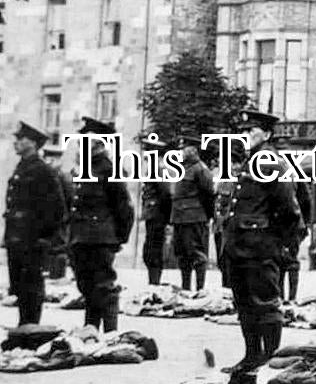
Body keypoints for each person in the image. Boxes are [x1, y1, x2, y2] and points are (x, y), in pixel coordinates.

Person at [222, 109, 301, 379]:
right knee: (244, 304)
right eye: (242, 131)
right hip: (240, 246)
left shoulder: (270, 162)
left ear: (266, 134)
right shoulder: (251, 161)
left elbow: (289, 210)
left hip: (260, 247)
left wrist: (279, 245)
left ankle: (271, 361)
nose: (244, 136)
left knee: (266, 304)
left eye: (250, 131)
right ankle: (251, 356)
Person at [68, 117, 135, 332]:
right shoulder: (84, 168)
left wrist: (118, 238)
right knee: (87, 287)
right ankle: (91, 330)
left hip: (100, 238)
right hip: (82, 238)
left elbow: (124, 208)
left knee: (104, 287)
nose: (81, 144)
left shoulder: (108, 169)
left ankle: (111, 334)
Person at [4, 122, 66, 325]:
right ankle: (23, 327)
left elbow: (56, 208)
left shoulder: (42, 171)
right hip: (17, 238)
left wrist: (44, 238)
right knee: (19, 287)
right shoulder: (21, 167)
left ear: (32, 143)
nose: (16, 143)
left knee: (31, 287)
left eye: (21, 140)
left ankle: (31, 329)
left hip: (32, 240)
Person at [170, 134, 215, 291]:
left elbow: (209, 195)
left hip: (194, 217)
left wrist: (206, 215)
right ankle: (186, 288)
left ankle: (200, 289)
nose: (181, 152)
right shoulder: (183, 169)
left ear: (193, 151)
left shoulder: (200, 169)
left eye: (184, 149)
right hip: (179, 218)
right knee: (182, 254)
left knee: (196, 254)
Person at [272, 131, 310, 304]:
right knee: (281, 261)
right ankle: (282, 297)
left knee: (289, 261)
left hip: (291, 222)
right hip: (283, 223)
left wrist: (303, 222)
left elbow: (305, 199)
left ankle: (290, 297)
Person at [139, 134, 173, 286]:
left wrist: (165, 216)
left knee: (153, 251)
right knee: (150, 250)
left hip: (157, 216)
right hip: (153, 215)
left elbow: (166, 193)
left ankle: (154, 282)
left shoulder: (157, 168)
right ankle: (153, 281)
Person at [212, 140, 243, 289]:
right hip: (219, 227)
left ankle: (231, 292)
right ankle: (226, 291)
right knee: (222, 260)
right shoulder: (221, 180)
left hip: (230, 227)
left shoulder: (238, 180)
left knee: (230, 261)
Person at [40, 143, 74, 281]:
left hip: (60, 221)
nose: (49, 163)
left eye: (52, 160)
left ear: (59, 161)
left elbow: (70, 200)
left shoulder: (64, 178)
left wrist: (65, 220)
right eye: (47, 159)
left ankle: (57, 277)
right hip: (44, 221)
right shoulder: (43, 177)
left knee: (58, 250)